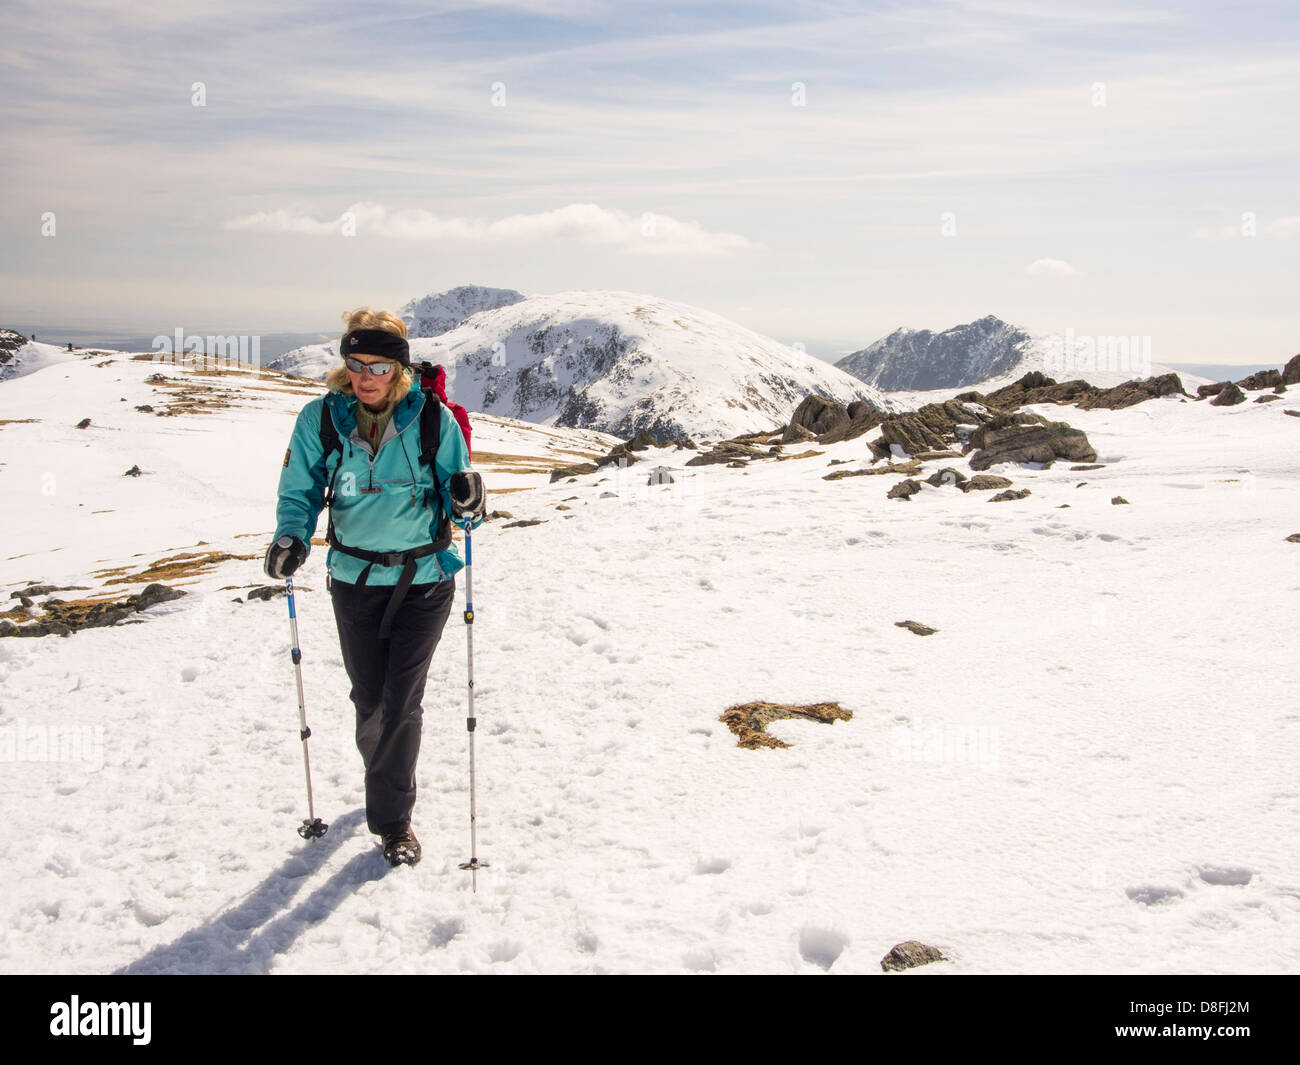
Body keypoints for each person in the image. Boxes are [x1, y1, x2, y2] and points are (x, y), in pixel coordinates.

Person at [264, 308, 485, 867]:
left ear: (400, 368)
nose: (366, 376)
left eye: (379, 366)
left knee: (400, 701)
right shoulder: (320, 420)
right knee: (370, 701)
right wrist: (292, 536)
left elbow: (468, 505)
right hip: (354, 579)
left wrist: (469, 501)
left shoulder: (433, 420)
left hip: (426, 579)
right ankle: (386, 776)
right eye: (356, 363)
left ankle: (393, 823)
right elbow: (300, 489)